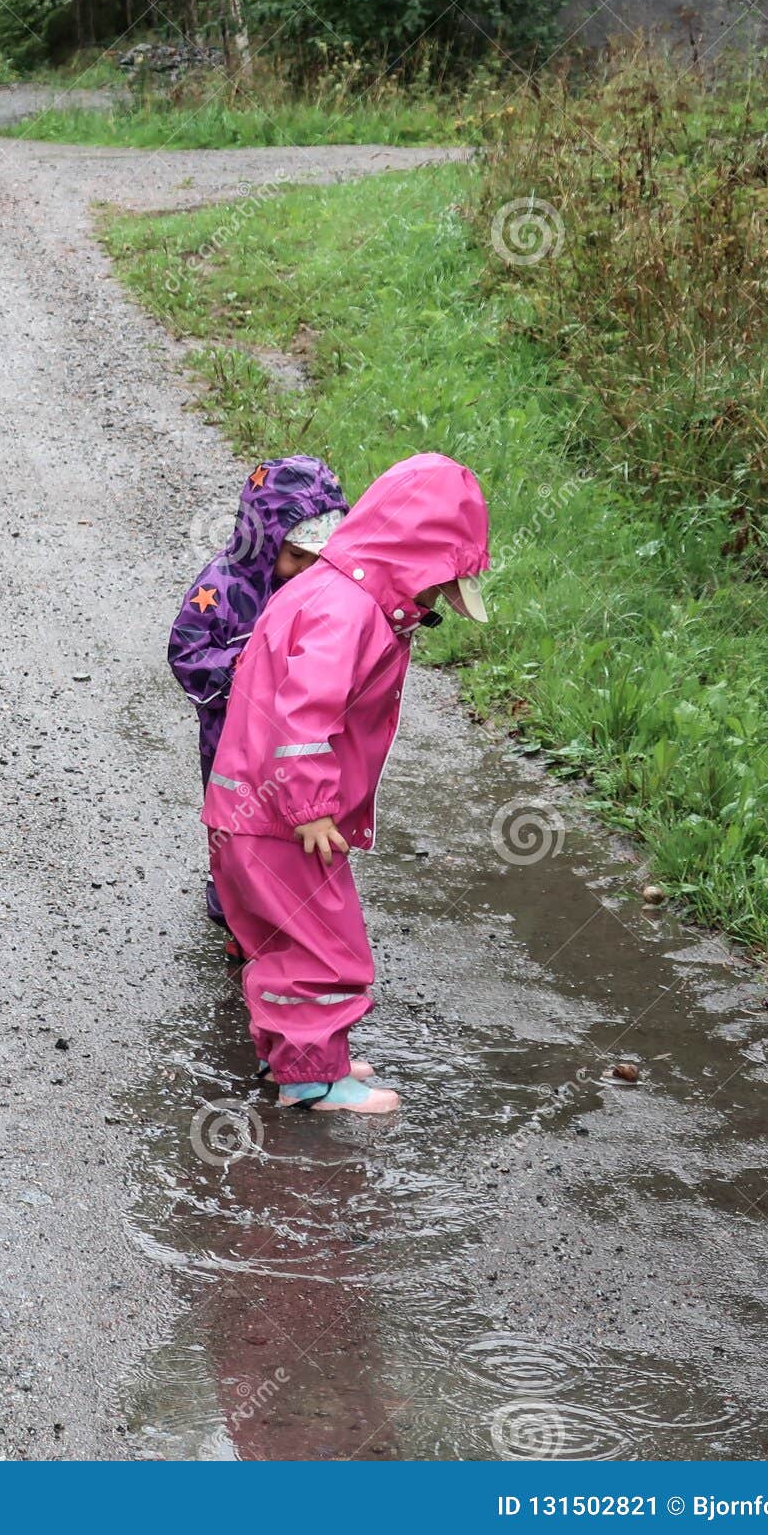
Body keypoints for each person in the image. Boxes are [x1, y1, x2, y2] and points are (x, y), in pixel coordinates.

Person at [202, 453, 492, 1115]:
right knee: (326, 951)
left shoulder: (327, 589)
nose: (428, 605)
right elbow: (305, 708)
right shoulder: (348, 609)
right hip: (282, 816)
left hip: (244, 809)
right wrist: (309, 804)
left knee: (279, 944)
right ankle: (315, 1080)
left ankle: (300, 1058)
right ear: (414, 560)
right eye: (432, 589)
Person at [168, 456, 348, 943]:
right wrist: (243, 670)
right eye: (295, 556)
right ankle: (233, 903)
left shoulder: (324, 592)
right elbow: (187, 651)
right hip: (229, 736)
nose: (306, 569)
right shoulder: (222, 586)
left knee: (292, 811)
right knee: (233, 818)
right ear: (264, 539)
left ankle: (283, 899)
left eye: (319, 558)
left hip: (293, 734)